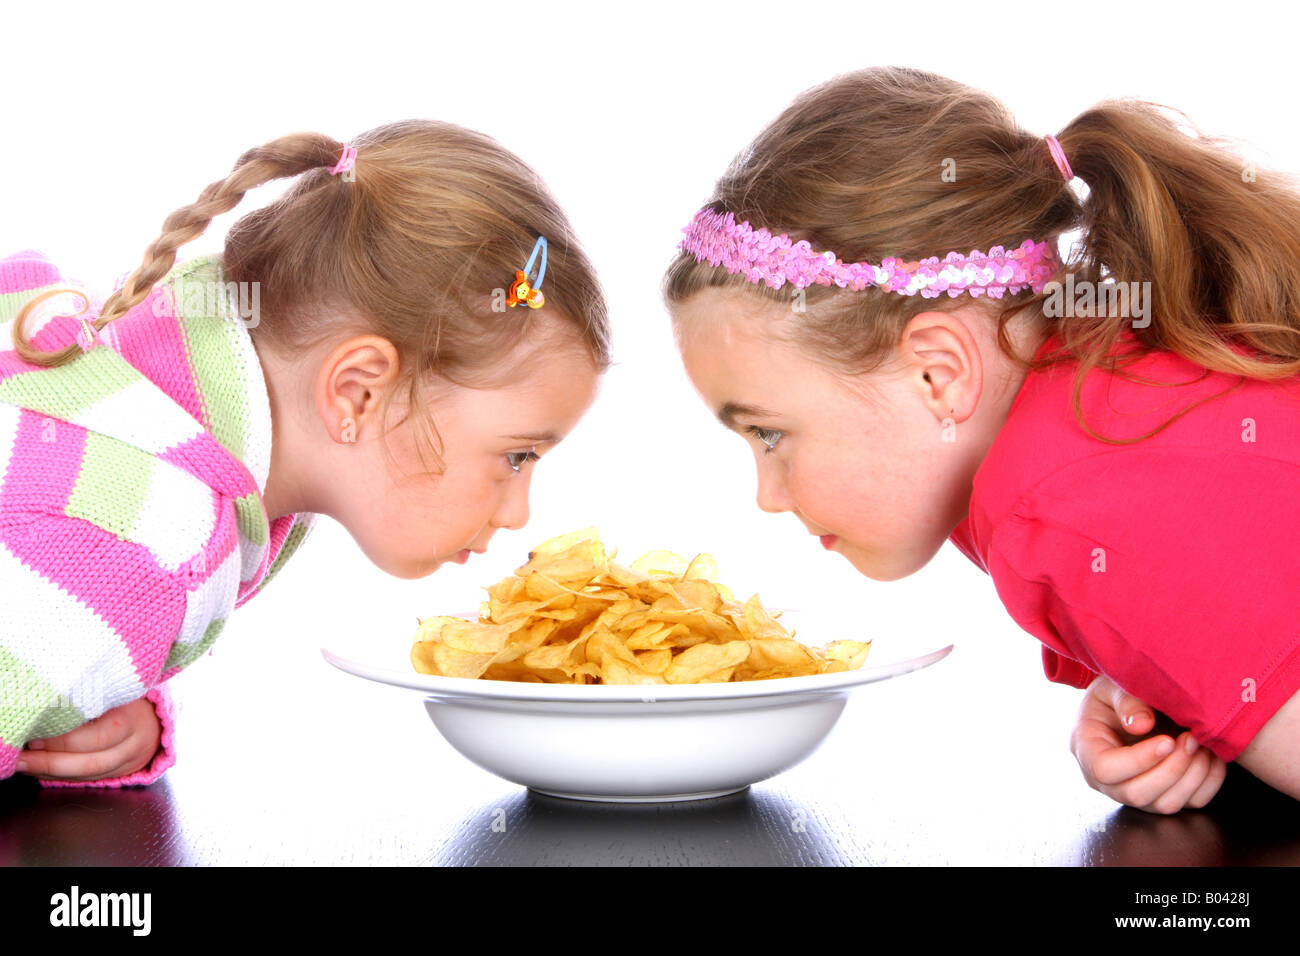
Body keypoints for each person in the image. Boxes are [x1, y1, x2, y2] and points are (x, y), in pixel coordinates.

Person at [663, 67, 1300, 813]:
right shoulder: (1106, 385)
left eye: (769, 433)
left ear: (939, 373)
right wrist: (1159, 681)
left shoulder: (1062, 508)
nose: (768, 496)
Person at [1, 120, 609, 787]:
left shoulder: (152, 400)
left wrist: (101, 686)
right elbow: (93, 563)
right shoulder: (150, 542)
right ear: (357, 393)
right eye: (517, 456)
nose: (519, 513)